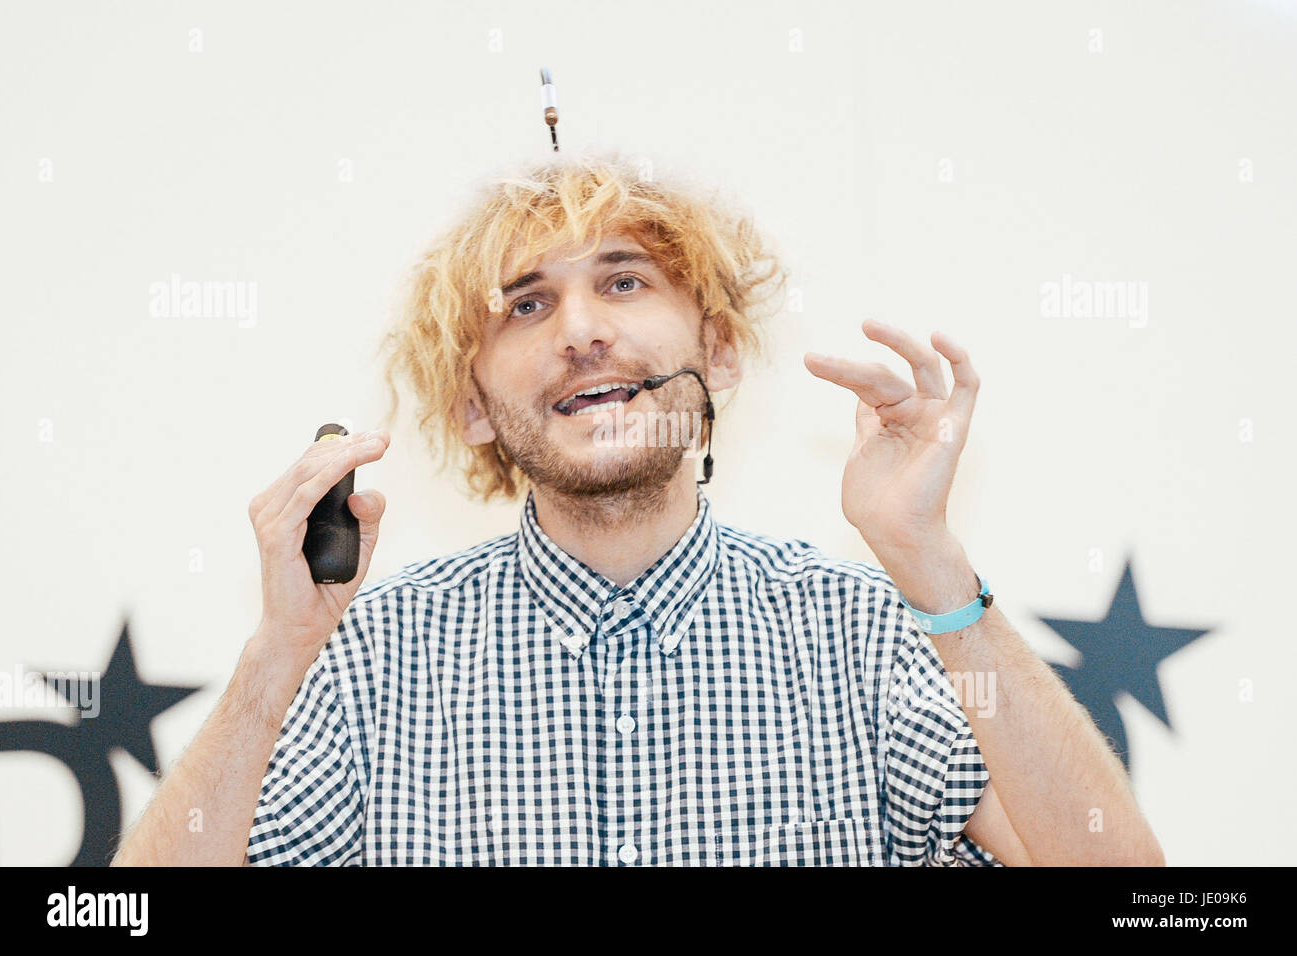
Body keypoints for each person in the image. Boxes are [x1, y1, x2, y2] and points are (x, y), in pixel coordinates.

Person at [112, 151, 1164, 867]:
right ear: (473, 406)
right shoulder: (369, 657)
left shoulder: (866, 632)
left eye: (623, 283)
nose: (580, 331)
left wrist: (928, 558)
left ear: (715, 349)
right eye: (525, 303)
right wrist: (275, 656)